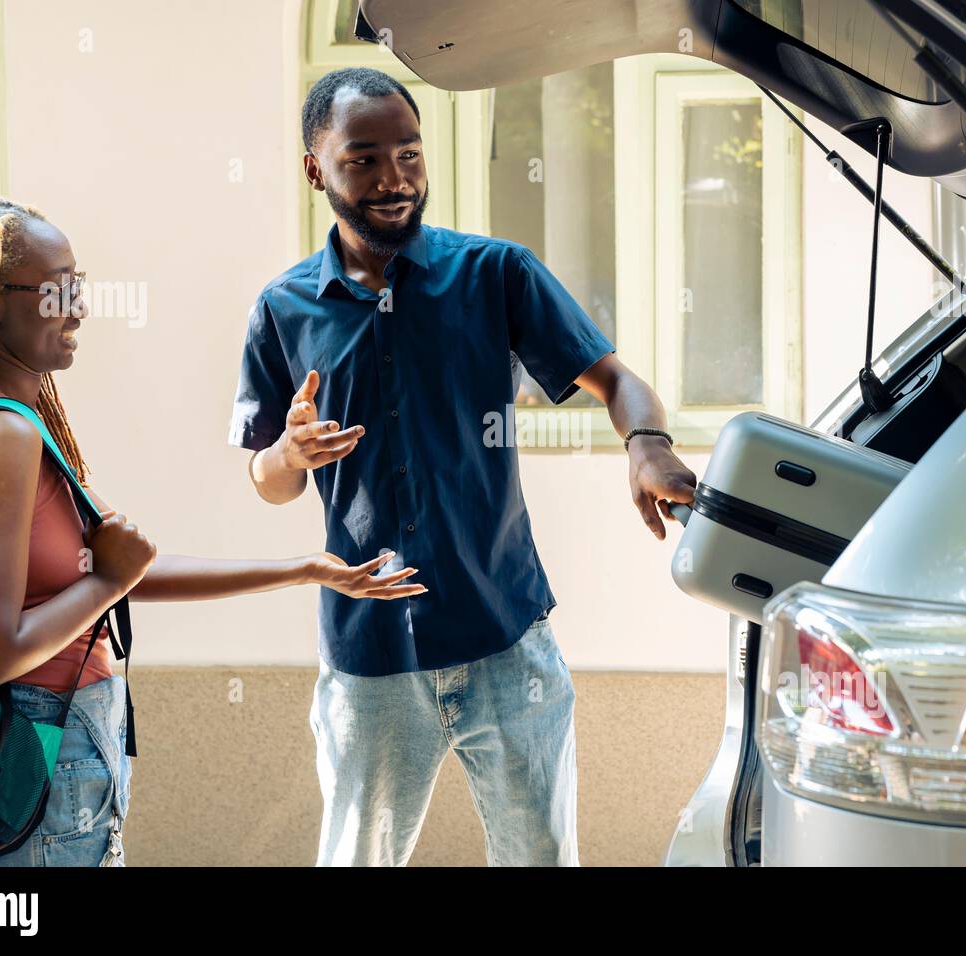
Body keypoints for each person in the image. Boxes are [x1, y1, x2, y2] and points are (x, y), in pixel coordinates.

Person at [229, 67, 697, 867]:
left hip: (506, 639)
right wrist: (286, 453)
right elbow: (268, 480)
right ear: (316, 169)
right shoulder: (282, 310)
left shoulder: (495, 275)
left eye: (408, 154)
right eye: (363, 159)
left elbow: (614, 380)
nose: (393, 179)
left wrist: (644, 441)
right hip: (370, 662)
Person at [0, 196, 426, 867]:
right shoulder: (3, 434)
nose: (80, 307)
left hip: (48, 750)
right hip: (49, 753)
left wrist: (307, 567)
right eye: (57, 288)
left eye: (78, 285)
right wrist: (112, 578)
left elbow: (115, 573)